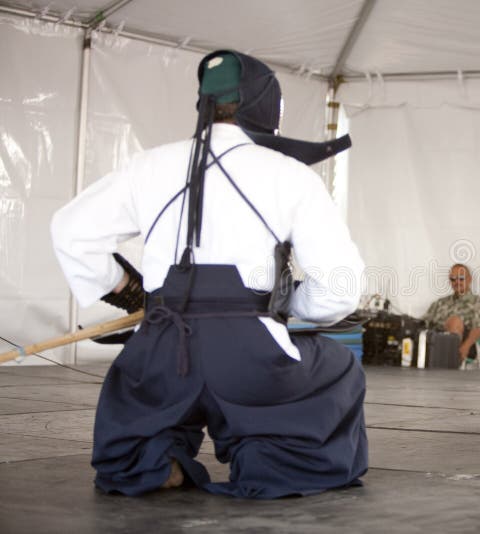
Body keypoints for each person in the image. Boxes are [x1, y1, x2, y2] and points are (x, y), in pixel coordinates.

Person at [50, 50, 368, 498]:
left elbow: (70, 230)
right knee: (336, 368)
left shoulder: (150, 164)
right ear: (265, 107)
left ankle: (155, 462)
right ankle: (270, 461)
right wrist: (287, 304)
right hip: (249, 360)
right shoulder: (290, 175)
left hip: (162, 349)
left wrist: (127, 292)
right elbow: (341, 291)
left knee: (143, 396)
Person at [423, 263, 480, 364]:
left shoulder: (479, 303)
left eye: (461, 278)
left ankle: (449, 361)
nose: (457, 282)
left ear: (469, 279)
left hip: (464, 344)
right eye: (453, 279)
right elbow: (423, 322)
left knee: (454, 321)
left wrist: (466, 346)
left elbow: (479, 330)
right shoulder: (440, 302)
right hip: (435, 341)